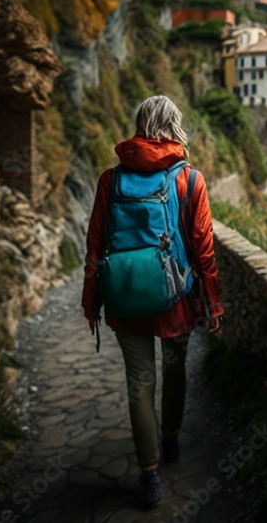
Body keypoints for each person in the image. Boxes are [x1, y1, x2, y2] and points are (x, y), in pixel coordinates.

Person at [81, 96, 223, 507]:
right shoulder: (189, 179)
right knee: (174, 372)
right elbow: (204, 249)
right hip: (175, 298)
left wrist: (92, 303)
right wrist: (213, 303)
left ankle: (150, 476)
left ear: (140, 125)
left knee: (139, 386)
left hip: (124, 297)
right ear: (174, 125)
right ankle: (172, 439)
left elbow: (94, 246)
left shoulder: (111, 180)